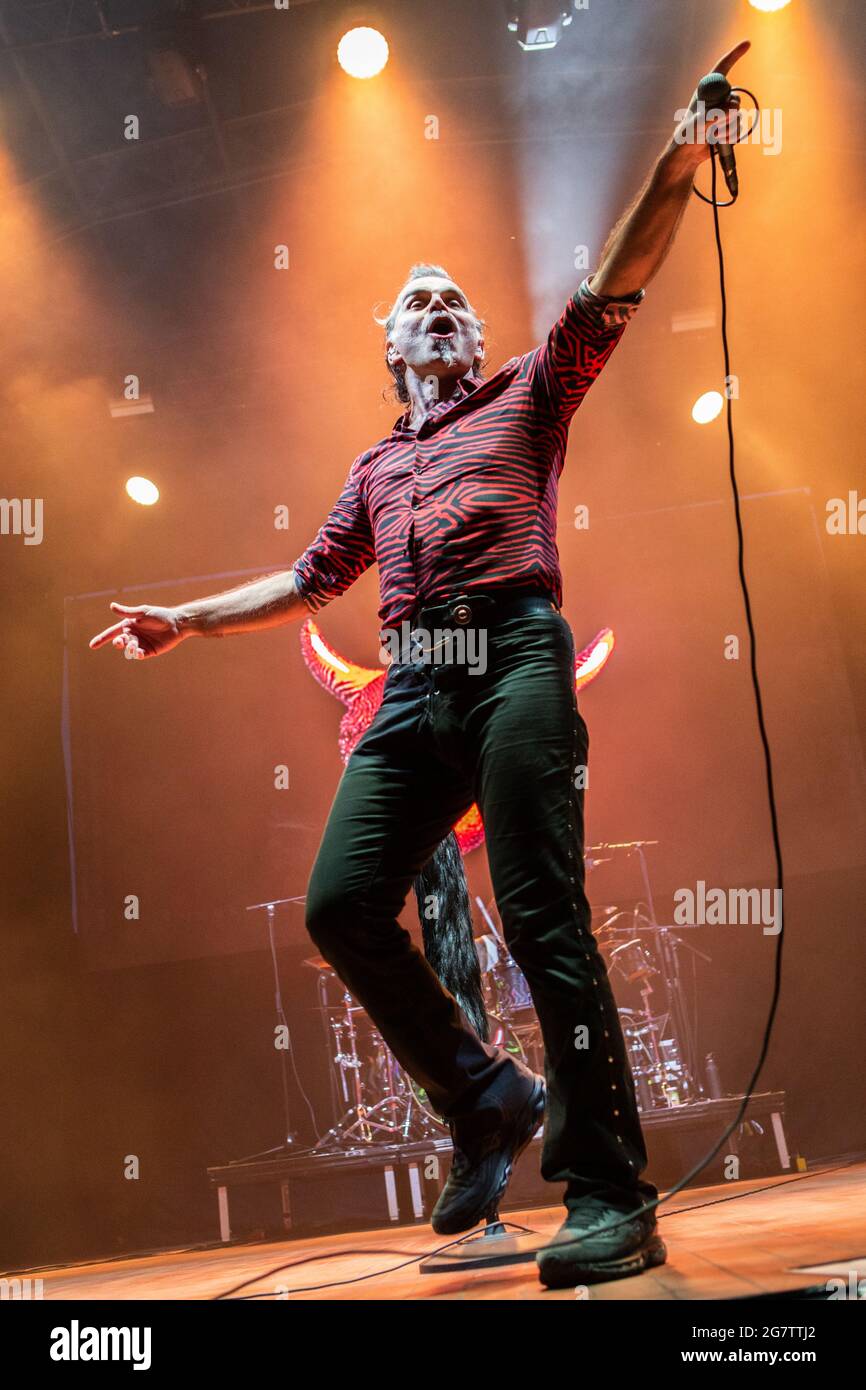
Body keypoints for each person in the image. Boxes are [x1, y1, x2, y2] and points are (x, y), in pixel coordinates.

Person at [90, 42, 748, 1288]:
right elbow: (304, 581)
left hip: (510, 654)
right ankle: (487, 1097)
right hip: (412, 684)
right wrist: (183, 615)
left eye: (456, 301)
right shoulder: (372, 469)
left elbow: (616, 277)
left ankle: (610, 1191)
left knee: (544, 909)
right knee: (339, 905)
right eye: (419, 304)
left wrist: (682, 148)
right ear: (388, 345)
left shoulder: (526, 395)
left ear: (475, 335)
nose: (440, 311)